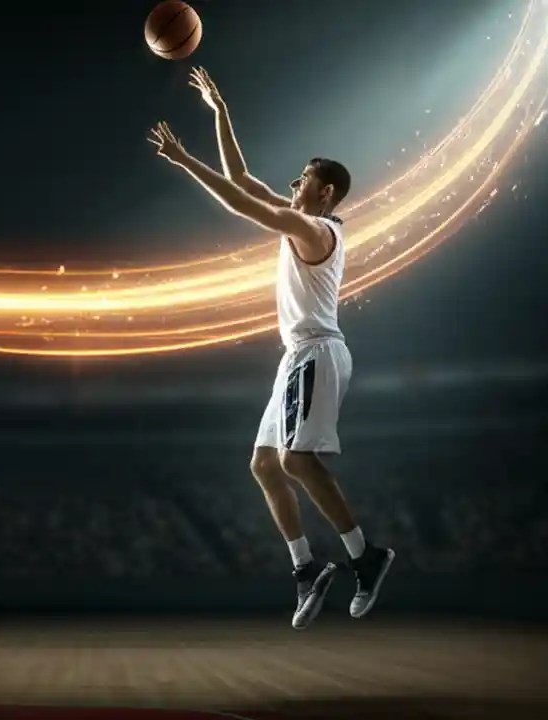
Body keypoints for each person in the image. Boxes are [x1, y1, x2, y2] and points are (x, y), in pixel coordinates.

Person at [147, 67, 394, 630]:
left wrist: (185, 161)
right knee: (263, 464)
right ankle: (306, 568)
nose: (292, 183)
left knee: (294, 460)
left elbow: (240, 203)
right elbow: (240, 177)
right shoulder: (298, 223)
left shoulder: (315, 231)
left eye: (303, 178)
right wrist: (219, 110)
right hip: (297, 357)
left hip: (317, 351)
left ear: (324, 192)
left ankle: (365, 555)